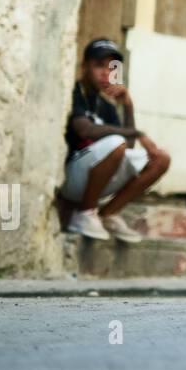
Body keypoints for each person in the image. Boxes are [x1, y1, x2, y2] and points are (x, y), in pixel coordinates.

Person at [60, 38, 172, 242]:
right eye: (99, 65)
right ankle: (84, 214)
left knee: (160, 159)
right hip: (72, 179)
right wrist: (137, 133)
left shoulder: (107, 106)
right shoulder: (73, 91)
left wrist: (128, 106)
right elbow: (84, 129)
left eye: (111, 68)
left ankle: (108, 214)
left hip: (98, 181)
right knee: (116, 143)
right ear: (84, 66)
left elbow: (127, 148)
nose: (105, 73)